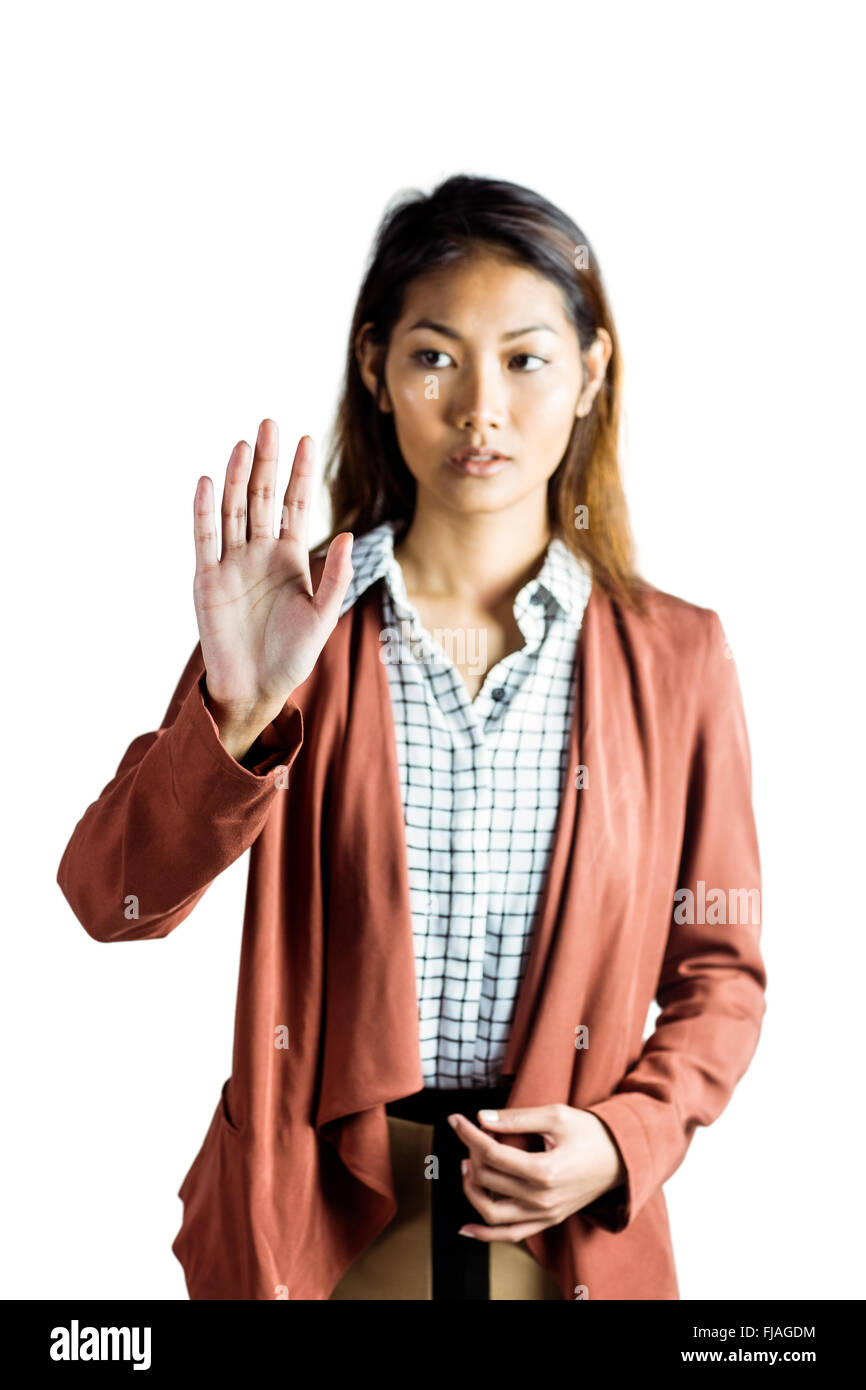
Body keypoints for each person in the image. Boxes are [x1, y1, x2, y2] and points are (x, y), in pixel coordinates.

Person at [57, 175, 766, 1300]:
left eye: (525, 358)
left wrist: (627, 1138)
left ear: (590, 374)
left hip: (558, 1239)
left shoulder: (676, 655)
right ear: (375, 368)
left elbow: (718, 972)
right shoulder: (301, 624)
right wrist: (238, 716)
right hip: (325, 1226)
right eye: (435, 355)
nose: (480, 406)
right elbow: (111, 900)